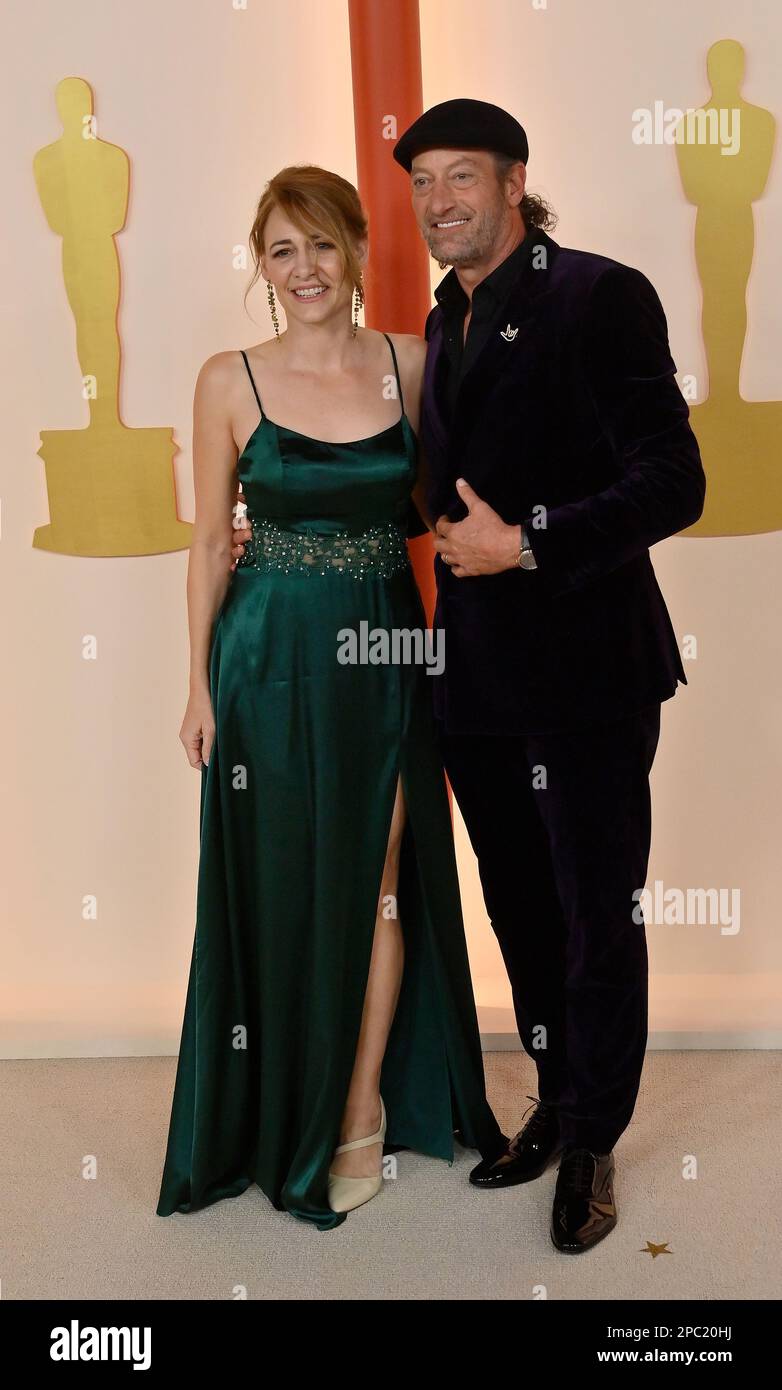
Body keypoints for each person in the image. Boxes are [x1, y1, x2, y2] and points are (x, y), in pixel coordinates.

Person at [231, 99, 707, 1253]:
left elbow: (673, 480)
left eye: (461, 177)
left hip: (587, 671)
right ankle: (552, 1100)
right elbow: (439, 496)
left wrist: (530, 537)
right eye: (422, 183)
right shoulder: (441, 321)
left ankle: (591, 1141)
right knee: (522, 910)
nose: (439, 201)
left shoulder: (599, 294)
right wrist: (288, 520)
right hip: (478, 682)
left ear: (512, 182)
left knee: (598, 913)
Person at [156, 163, 506, 1233]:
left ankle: (356, 1107)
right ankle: (271, 1106)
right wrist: (196, 684)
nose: (303, 268)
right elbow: (212, 539)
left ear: (356, 251)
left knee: (381, 876)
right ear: (260, 268)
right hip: (263, 656)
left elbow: (448, 497)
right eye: (280, 250)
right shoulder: (228, 379)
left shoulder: (410, 360)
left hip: (384, 641)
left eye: (321, 245)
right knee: (283, 882)